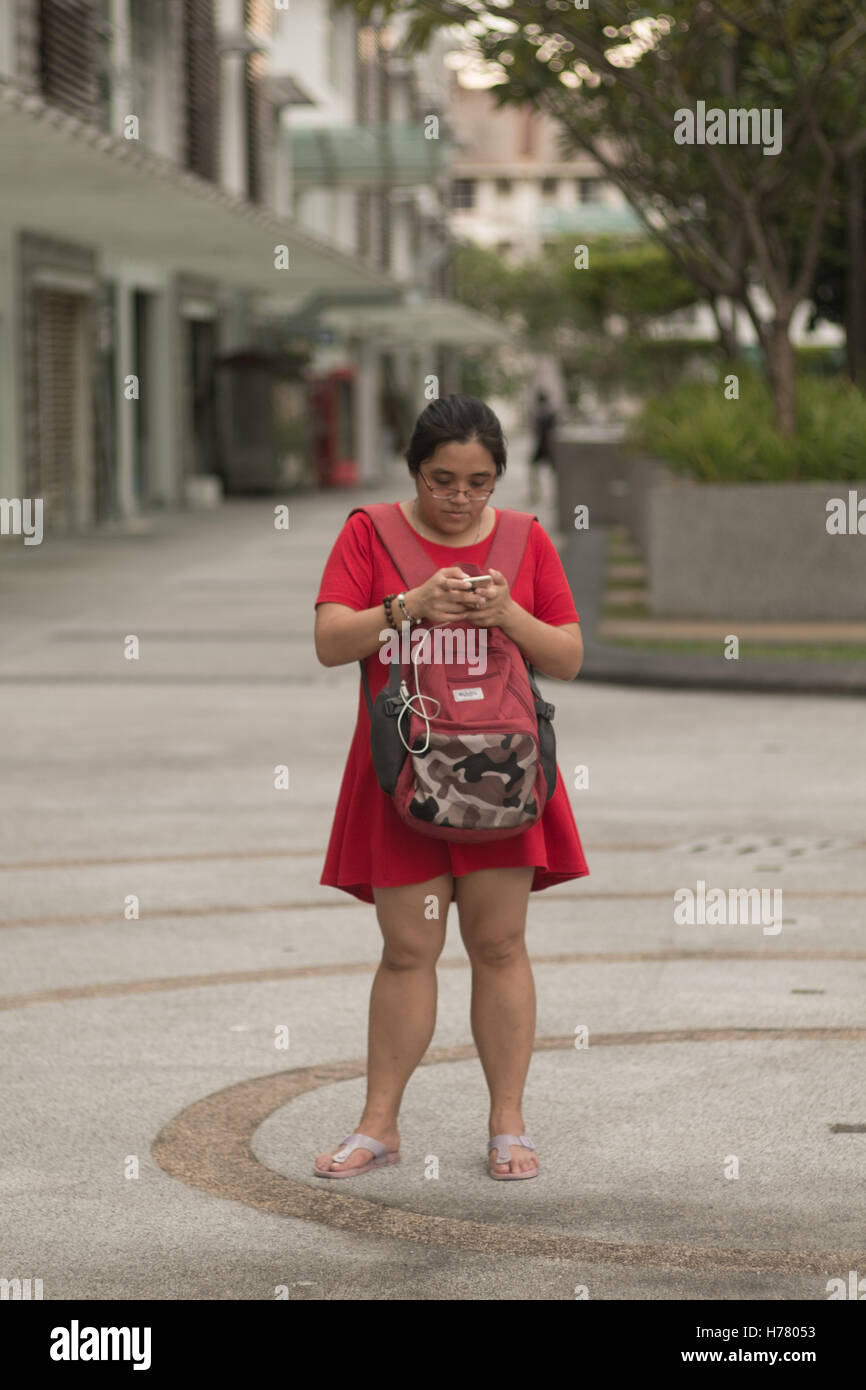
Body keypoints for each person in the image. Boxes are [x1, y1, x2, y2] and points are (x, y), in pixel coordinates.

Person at [313, 393, 589, 1181]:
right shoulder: (369, 531)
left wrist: (508, 616)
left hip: (503, 773)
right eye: (443, 480)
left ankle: (508, 1125)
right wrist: (408, 607)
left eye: (478, 482)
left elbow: (566, 656)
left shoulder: (526, 539)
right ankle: (378, 1127)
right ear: (414, 471)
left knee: (500, 944)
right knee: (407, 949)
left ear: (499, 477)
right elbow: (332, 640)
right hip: (406, 773)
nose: (461, 498)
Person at [527, 388, 557, 504]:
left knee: (534, 471)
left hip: (543, 446)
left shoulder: (540, 414)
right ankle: (545, 495)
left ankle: (536, 495)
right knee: (552, 474)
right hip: (548, 446)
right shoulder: (550, 413)